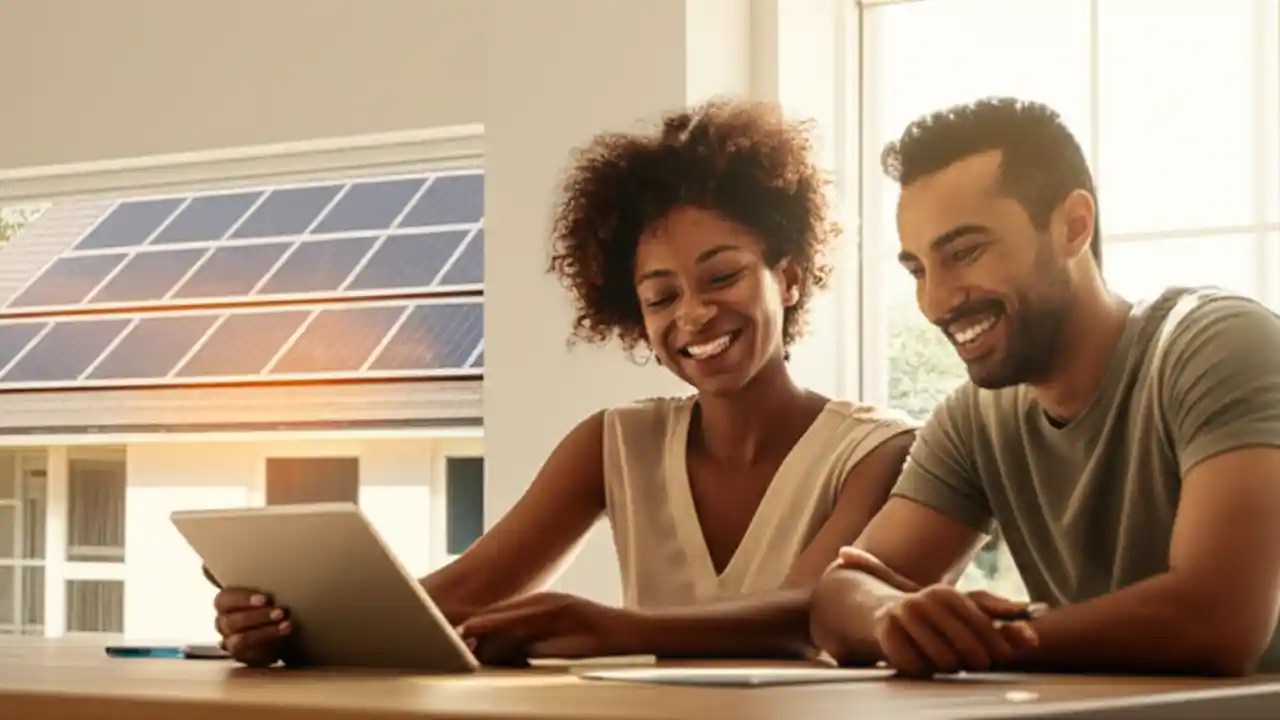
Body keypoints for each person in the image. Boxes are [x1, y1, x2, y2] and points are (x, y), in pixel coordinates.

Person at [212, 99, 916, 667]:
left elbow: (814, 616)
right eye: (661, 296)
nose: (694, 314)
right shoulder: (617, 443)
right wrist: (294, 625)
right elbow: (462, 593)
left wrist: (612, 629)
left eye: (722, 276)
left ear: (787, 278)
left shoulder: (877, 451)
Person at [810, 96, 1280, 678]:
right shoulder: (975, 419)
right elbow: (841, 591)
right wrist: (890, 615)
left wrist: (980, 640)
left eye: (965, 253)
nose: (935, 301)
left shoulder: (1220, 346)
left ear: (1073, 226)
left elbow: (1219, 619)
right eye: (918, 270)